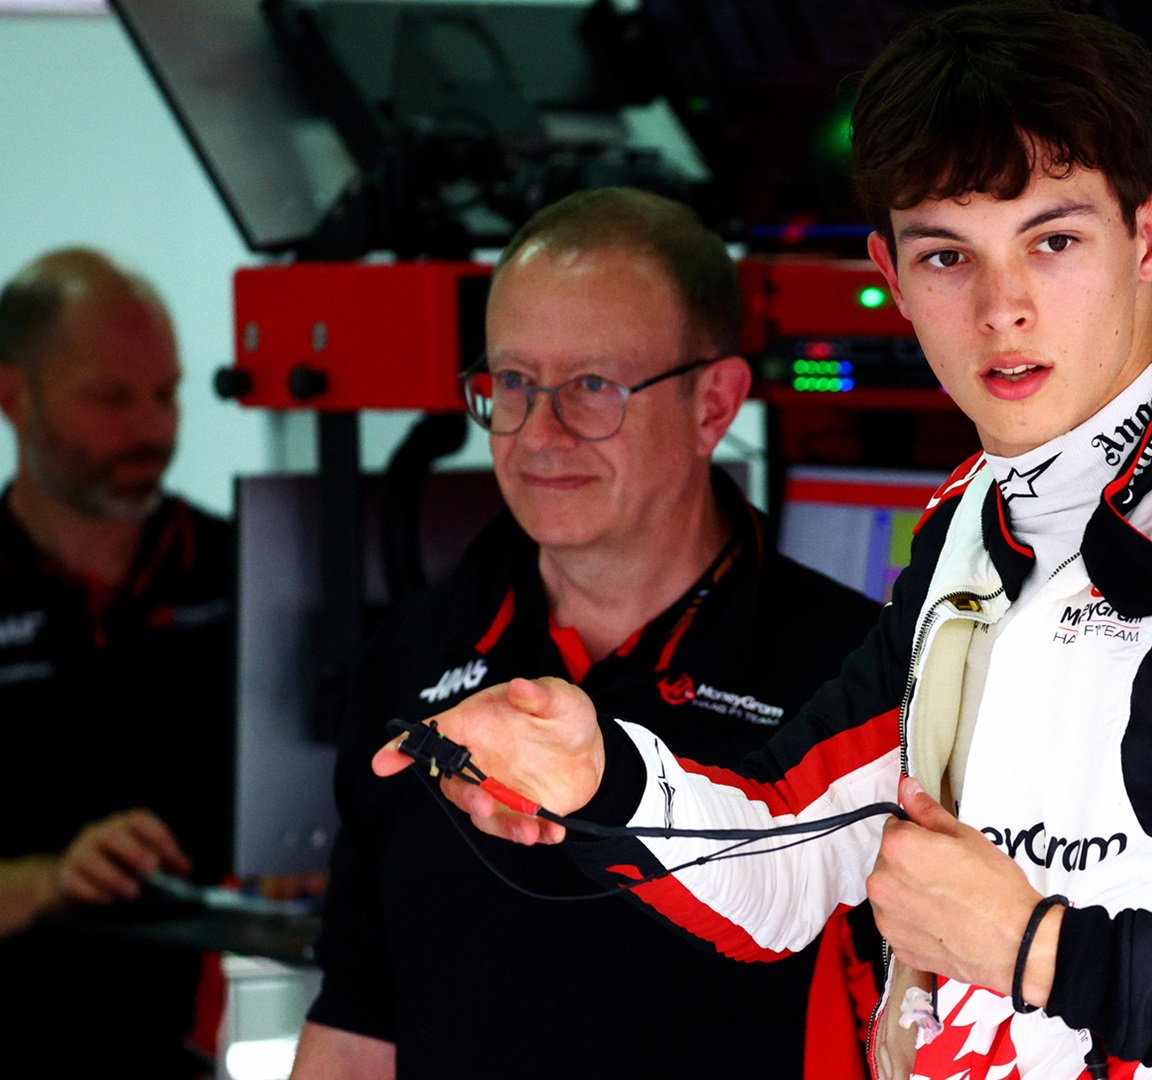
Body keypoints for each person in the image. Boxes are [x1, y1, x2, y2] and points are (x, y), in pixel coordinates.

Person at [390, 5, 1152, 1077]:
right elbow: (794, 850)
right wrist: (601, 776)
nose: (1003, 309)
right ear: (887, 276)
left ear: (1148, 236)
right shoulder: (974, 528)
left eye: (1052, 241)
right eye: (948, 256)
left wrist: (1043, 952)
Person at [290, 188, 883, 1080]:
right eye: (515, 384)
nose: (540, 434)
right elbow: (357, 1023)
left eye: (593, 387)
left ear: (713, 405)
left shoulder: (853, 672)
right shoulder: (410, 659)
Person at [0, 248, 233, 1077]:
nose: (152, 428)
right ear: (12, 394)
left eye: (167, 394)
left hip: (211, 1043)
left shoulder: (244, 567)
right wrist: (54, 877)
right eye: (111, 397)